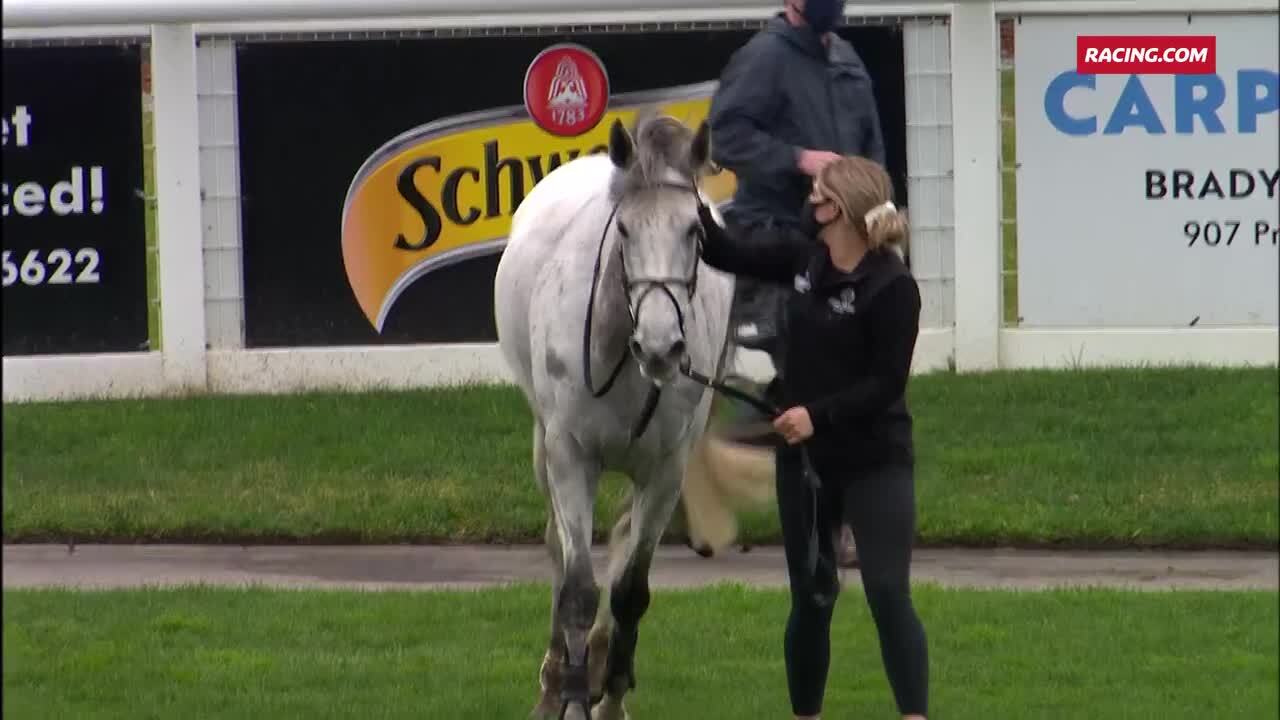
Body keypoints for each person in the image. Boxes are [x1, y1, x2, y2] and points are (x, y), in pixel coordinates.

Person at [696, 155, 928, 720]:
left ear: (842, 207)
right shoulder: (804, 259)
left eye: (818, 194)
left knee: (886, 592)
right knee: (811, 596)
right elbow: (726, 252)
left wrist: (815, 417)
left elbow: (885, 383)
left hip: (876, 461)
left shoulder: (892, 286)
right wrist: (685, 195)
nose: (809, 202)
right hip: (805, 464)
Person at [708, 0, 887, 567]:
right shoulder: (763, 58)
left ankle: (738, 454)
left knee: (850, 377)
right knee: (814, 372)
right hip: (776, 238)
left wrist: (877, 212)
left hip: (847, 240)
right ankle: (831, 520)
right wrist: (798, 159)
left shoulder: (848, 59)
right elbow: (725, 137)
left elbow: (871, 149)